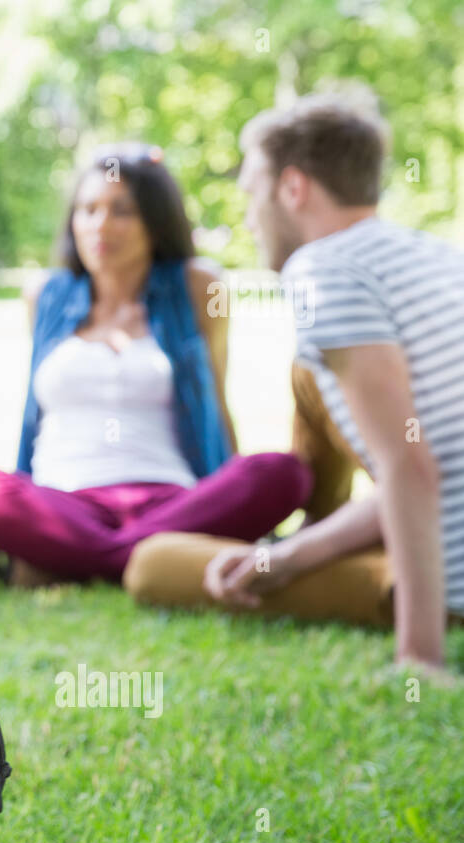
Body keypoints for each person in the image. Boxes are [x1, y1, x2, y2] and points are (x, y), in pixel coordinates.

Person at [124, 93, 464, 670]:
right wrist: (288, 558)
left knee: (155, 564)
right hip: (427, 531)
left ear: (293, 187)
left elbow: (410, 467)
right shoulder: (432, 256)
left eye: (251, 192)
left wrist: (419, 658)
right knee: (259, 559)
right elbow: (431, 471)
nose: (248, 216)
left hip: (438, 576)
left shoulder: (321, 271)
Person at [0, 144, 313, 585]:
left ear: (156, 222)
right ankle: (149, 558)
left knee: (283, 473)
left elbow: (217, 398)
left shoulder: (200, 286)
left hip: (171, 500)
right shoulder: (44, 294)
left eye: (122, 211)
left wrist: (232, 485)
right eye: (88, 210)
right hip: (62, 504)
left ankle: (78, 561)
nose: (100, 225)